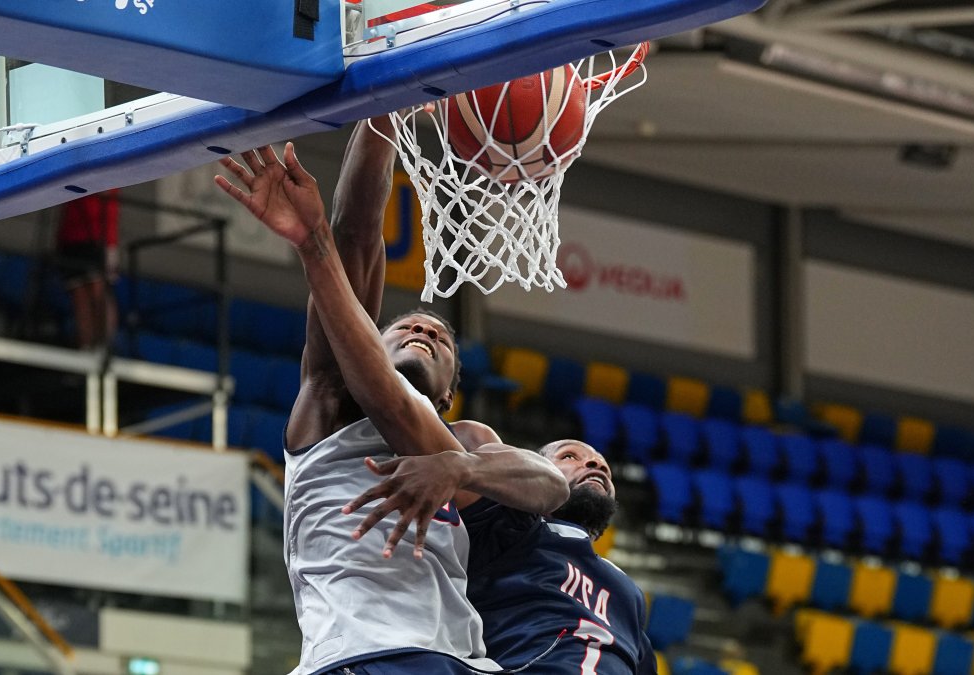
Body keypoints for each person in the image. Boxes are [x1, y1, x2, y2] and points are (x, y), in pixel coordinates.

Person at [214, 125, 569, 675]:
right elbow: (356, 232)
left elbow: (551, 484)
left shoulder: (465, 441)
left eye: (442, 338)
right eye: (403, 327)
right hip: (363, 653)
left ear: (450, 393)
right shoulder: (332, 396)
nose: (425, 330)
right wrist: (387, 108)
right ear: (366, 341)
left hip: (460, 660)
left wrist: (459, 466)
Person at [348, 438, 656, 674]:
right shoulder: (511, 524)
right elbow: (440, 445)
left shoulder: (629, 593)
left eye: (604, 467)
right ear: (537, 474)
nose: (596, 466)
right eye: (570, 456)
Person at [56, 188, 119, 349]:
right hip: (71, 235)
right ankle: (86, 348)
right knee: (79, 294)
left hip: (100, 236)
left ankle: (104, 349)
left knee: (99, 290)